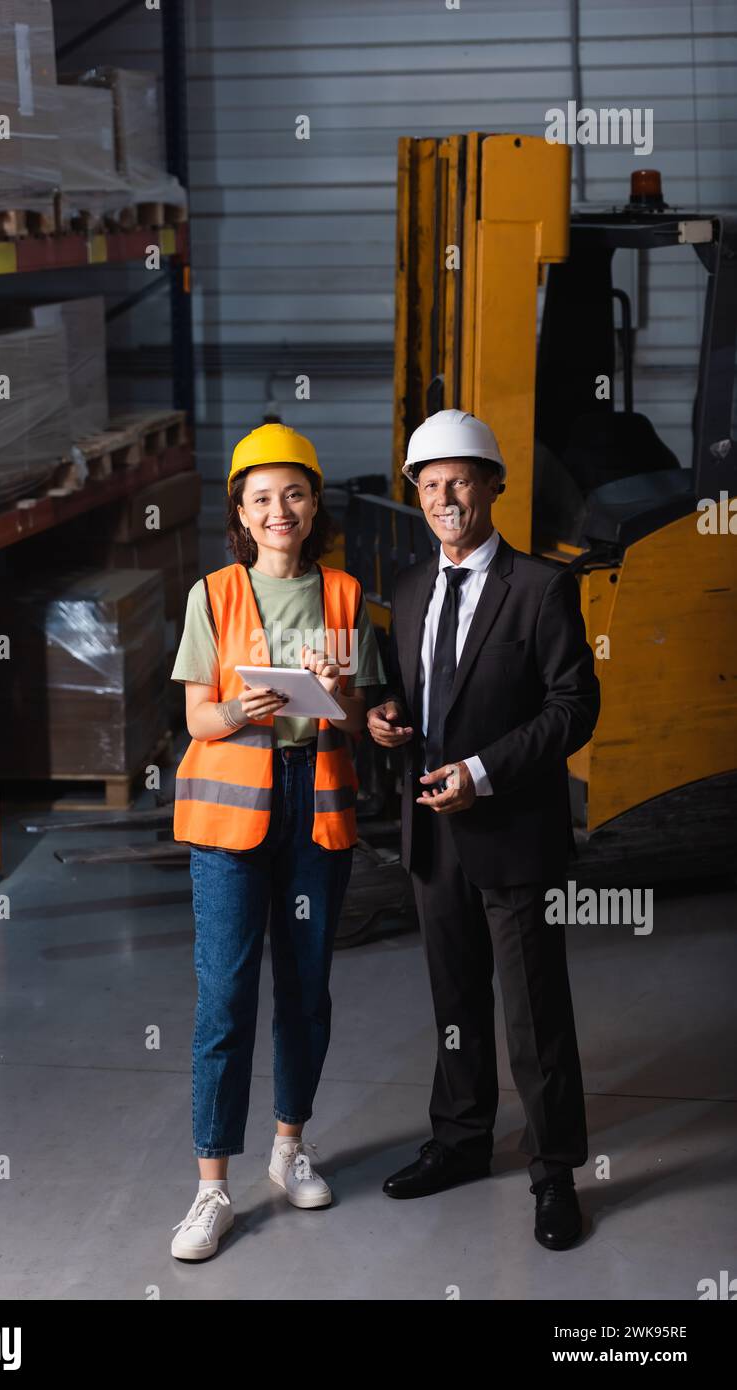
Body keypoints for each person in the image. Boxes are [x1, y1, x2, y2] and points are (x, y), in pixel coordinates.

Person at [368, 409, 600, 1251]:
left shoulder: (540, 588)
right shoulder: (406, 588)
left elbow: (574, 708)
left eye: (458, 479)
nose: (443, 497)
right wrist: (386, 720)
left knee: (533, 1010)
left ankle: (553, 1173)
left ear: (493, 484)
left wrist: (483, 772)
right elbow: (411, 697)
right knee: (454, 1001)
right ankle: (462, 1141)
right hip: (434, 839)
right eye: (427, 485)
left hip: (512, 833)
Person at [169, 423, 385, 1261]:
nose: (279, 510)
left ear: (313, 501)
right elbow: (194, 717)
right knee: (224, 997)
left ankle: (290, 1148)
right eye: (261, 497)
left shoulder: (345, 595)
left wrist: (345, 700)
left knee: (304, 990)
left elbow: (359, 721)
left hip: (313, 807)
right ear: (241, 512)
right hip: (230, 817)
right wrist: (235, 712)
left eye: (293, 493)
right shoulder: (212, 595)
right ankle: (210, 1189)